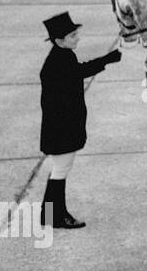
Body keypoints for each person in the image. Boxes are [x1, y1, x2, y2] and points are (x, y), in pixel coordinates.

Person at [39, 12, 121, 229]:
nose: (78, 38)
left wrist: (106, 60)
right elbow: (79, 72)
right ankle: (58, 216)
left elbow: (78, 71)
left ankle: (48, 215)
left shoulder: (61, 56)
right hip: (62, 128)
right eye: (73, 36)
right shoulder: (59, 61)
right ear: (59, 40)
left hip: (58, 127)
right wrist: (107, 59)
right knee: (60, 171)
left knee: (58, 170)